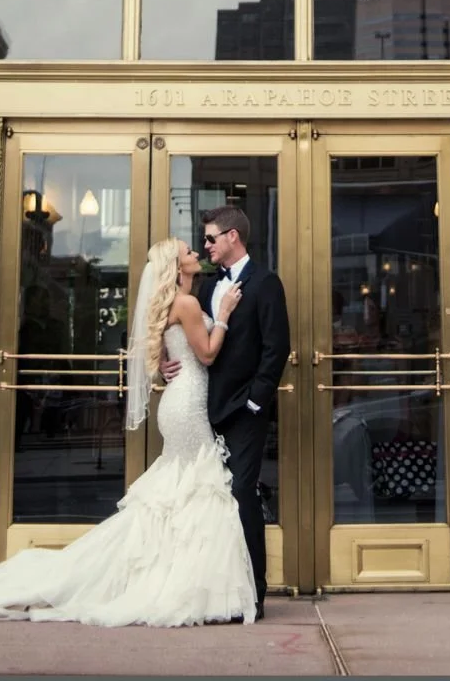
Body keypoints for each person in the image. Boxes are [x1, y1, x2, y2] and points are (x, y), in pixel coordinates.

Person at [0, 237, 257, 626]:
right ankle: (184, 586)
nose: (195, 254)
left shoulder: (169, 305)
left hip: (179, 402)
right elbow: (208, 353)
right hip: (189, 405)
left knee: (179, 494)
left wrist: (165, 364)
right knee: (192, 490)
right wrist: (225, 314)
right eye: (188, 253)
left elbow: (165, 351)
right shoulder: (188, 303)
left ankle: (174, 578)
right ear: (178, 267)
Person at [162, 207, 290, 619]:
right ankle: (215, 591)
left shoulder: (266, 283)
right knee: (210, 500)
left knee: (241, 494)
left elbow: (276, 348)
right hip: (205, 410)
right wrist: (168, 365)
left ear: (233, 236)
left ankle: (254, 593)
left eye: (212, 238)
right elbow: (194, 341)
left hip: (245, 412)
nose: (206, 245)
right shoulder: (205, 290)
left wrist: (257, 400)